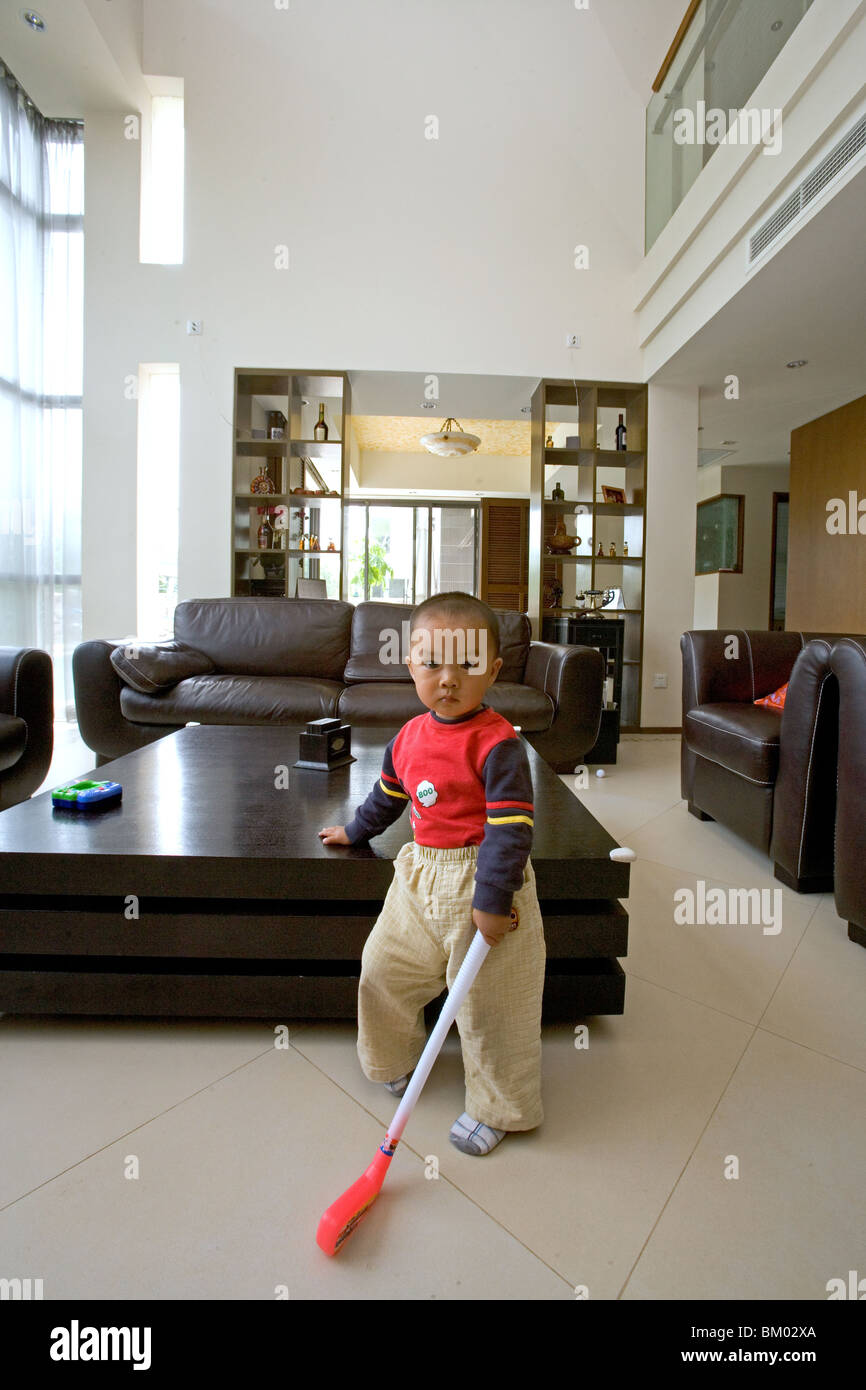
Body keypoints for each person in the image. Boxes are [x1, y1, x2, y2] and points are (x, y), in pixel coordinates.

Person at [318, 592, 545, 1155]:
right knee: (384, 968)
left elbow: (510, 829)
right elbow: (388, 796)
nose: (448, 678)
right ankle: (394, 1056)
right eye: (432, 663)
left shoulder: (500, 746)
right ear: (410, 664)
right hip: (419, 878)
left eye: (467, 664)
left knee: (493, 1003)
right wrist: (355, 830)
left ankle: (499, 1106)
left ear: (492, 670)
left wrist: (493, 900)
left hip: (484, 877)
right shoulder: (409, 737)